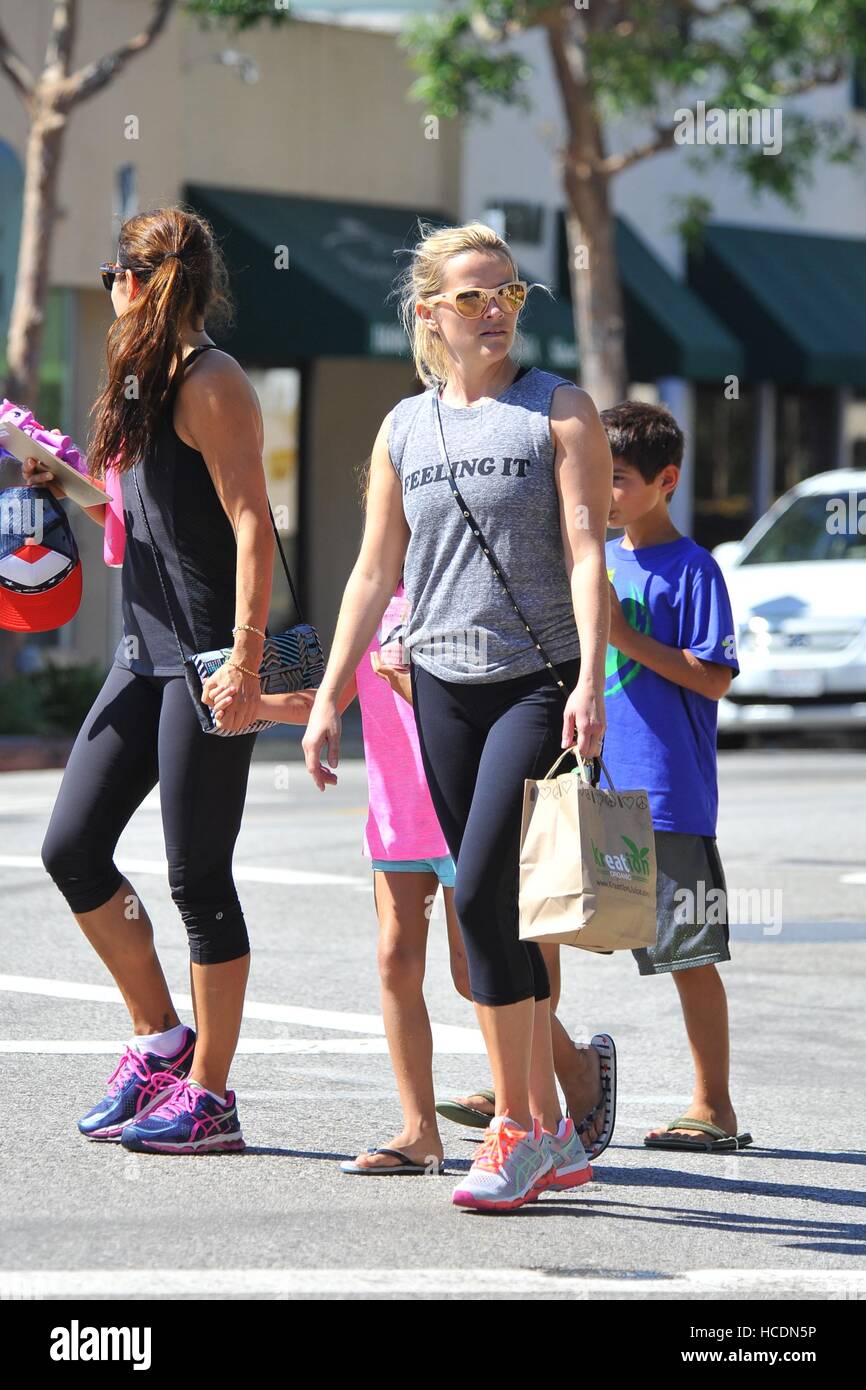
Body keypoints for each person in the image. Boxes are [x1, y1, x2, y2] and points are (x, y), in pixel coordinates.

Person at [299, 219, 612, 1211]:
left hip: (534, 675)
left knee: (480, 889)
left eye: (509, 293)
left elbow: (586, 555)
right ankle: (547, 1132)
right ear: (430, 312)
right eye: (473, 295)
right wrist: (325, 695)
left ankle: (517, 1127)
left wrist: (589, 681)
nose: (494, 310)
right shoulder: (404, 426)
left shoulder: (557, 411)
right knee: (495, 905)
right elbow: (371, 570)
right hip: (436, 682)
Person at [28, 206, 273, 1154]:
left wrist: (246, 660)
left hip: (210, 657)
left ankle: (211, 1093)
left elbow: (253, 521)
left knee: (197, 878)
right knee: (73, 847)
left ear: (137, 282)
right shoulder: (143, 378)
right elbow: (148, 522)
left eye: (111, 276)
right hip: (144, 651)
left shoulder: (211, 382)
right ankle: (162, 1037)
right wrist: (67, 481)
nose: (110, 291)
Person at [208, 575, 473, 1175]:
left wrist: (408, 682)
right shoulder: (373, 604)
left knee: (476, 973)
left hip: (461, 805)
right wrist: (251, 707)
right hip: (398, 814)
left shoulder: (458, 590)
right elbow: (325, 697)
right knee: (395, 960)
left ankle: (567, 1074)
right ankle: (419, 1132)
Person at [600, 400, 751, 1152]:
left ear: (666, 481)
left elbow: (714, 677)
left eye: (619, 478)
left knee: (687, 955)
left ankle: (713, 1105)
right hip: (594, 798)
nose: (604, 492)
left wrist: (626, 635)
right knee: (539, 934)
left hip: (668, 800)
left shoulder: (695, 569)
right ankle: (525, 1082)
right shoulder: (590, 560)